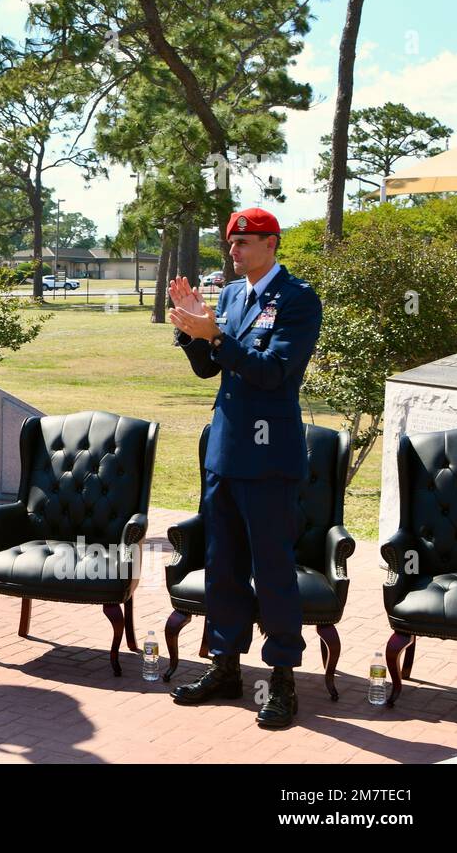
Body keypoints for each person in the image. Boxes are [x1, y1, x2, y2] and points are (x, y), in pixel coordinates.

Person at [167, 207, 322, 729]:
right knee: (223, 565)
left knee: (272, 570)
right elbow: (212, 369)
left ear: (272, 243)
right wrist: (192, 331)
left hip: (270, 457)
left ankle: (282, 682)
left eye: (246, 243)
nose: (234, 252)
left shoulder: (298, 299)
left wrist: (215, 336)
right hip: (226, 453)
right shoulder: (232, 296)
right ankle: (225, 667)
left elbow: (273, 373)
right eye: (231, 244)